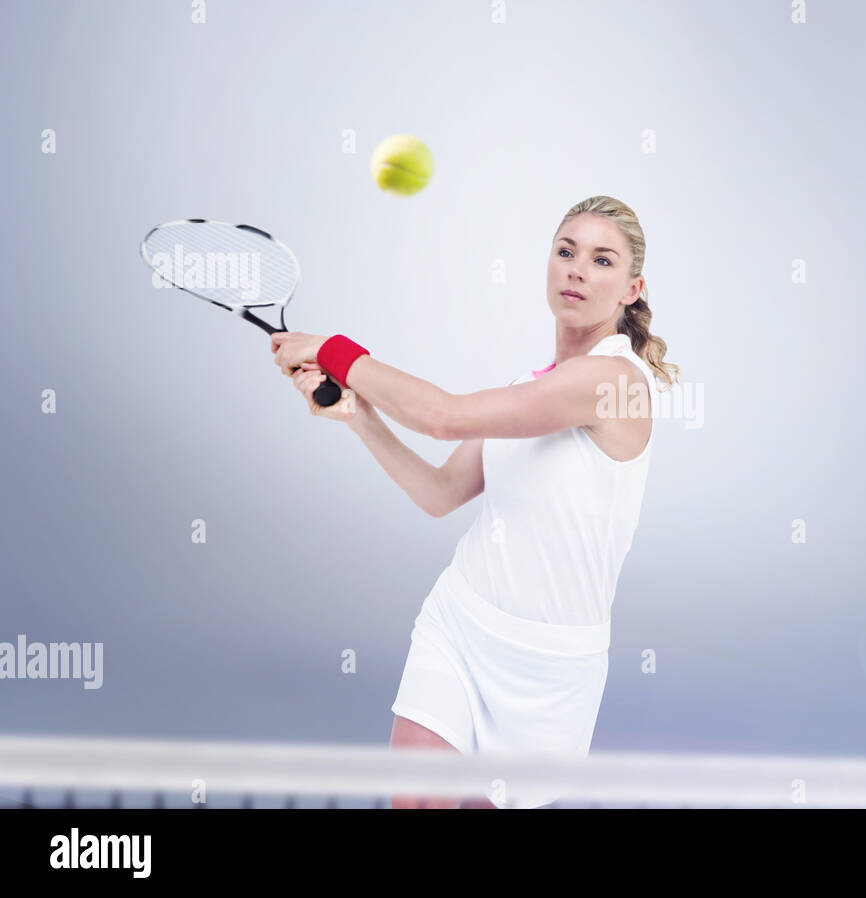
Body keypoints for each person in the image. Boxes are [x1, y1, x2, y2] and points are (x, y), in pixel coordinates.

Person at [270, 196, 678, 808]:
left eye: (601, 260)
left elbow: (443, 417)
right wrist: (359, 416)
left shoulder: (615, 383)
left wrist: (332, 349)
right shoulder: (527, 388)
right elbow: (440, 493)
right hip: (460, 626)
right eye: (565, 251)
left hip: (552, 671)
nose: (576, 270)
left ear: (631, 288)